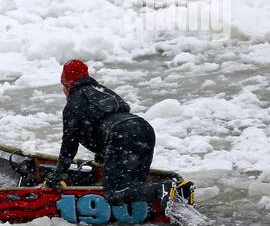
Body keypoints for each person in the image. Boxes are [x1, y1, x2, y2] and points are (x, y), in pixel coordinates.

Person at [45, 60, 189, 204]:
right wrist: (103, 160)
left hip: (121, 134)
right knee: (135, 183)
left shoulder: (74, 103)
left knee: (114, 192)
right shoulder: (104, 91)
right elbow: (106, 122)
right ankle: (177, 193)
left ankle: (163, 189)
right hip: (144, 128)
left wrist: (58, 175)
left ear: (67, 85)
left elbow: (69, 146)